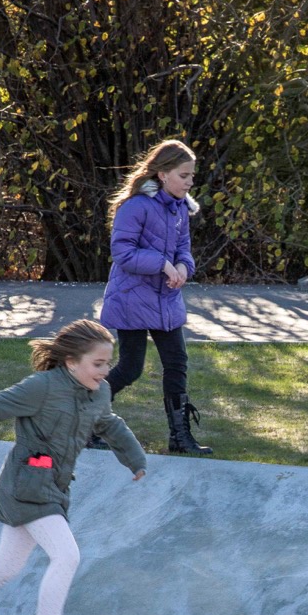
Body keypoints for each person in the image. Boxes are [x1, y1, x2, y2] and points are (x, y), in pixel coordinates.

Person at [0, 319, 146, 615]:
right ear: (71, 362)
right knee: (67, 556)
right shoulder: (42, 387)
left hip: (52, 486)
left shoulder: (99, 392)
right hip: (25, 487)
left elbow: (110, 425)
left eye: (108, 363)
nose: (105, 371)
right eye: (97, 364)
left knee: (4, 567)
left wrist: (135, 460)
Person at [96, 137, 212, 457]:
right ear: (163, 174)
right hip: (132, 298)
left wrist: (183, 268)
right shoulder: (135, 206)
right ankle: (87, 420)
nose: (190, 182)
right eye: (184, 175)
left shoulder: (180, 210)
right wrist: (161, 264)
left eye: (192, 176)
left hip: (166, 300)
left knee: (177, 363)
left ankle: (180, 437)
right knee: (130, 369)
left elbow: (183, 250)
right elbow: (122, 253)